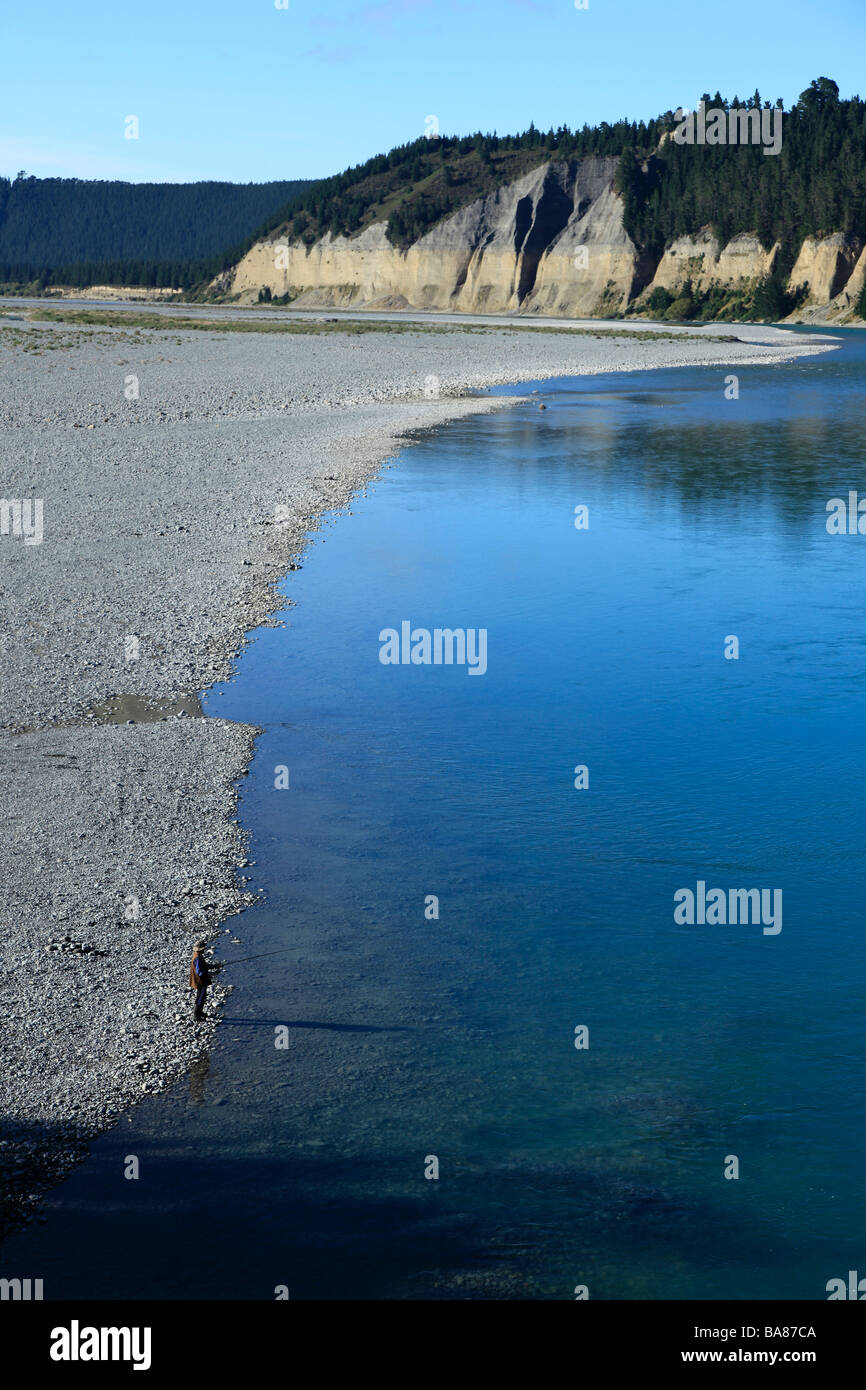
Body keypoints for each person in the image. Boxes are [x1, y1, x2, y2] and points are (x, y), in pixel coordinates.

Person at [189, 941, 212, 1022]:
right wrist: (211, 973)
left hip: (199, 980)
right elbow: (200, 972)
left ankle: (200, 1012)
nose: (204, 950)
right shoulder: (198, 958)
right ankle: (196, 1016)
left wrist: (213, 966)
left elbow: (204, 966)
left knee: (202, 996)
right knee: (200, 997)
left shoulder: (196, 955)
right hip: (200, 981)